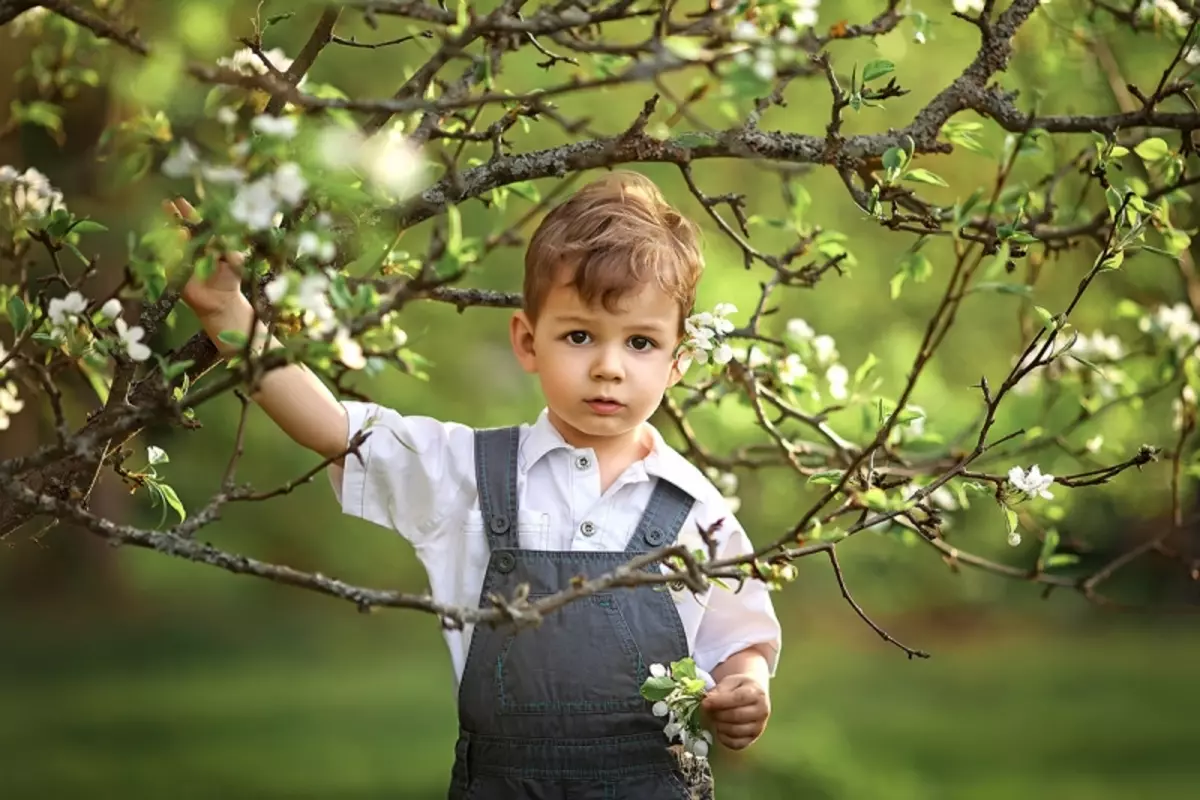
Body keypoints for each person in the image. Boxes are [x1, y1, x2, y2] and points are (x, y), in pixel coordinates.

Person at [175, 170, 781, 799]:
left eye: (641, 342)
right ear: (528, 340)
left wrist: (746, 686)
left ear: (678, 360)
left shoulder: (693, 505)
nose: (608, 366)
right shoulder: (469, 471)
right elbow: (333, 429)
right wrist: (228, 313)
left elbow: (741, 636)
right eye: (579, 336)